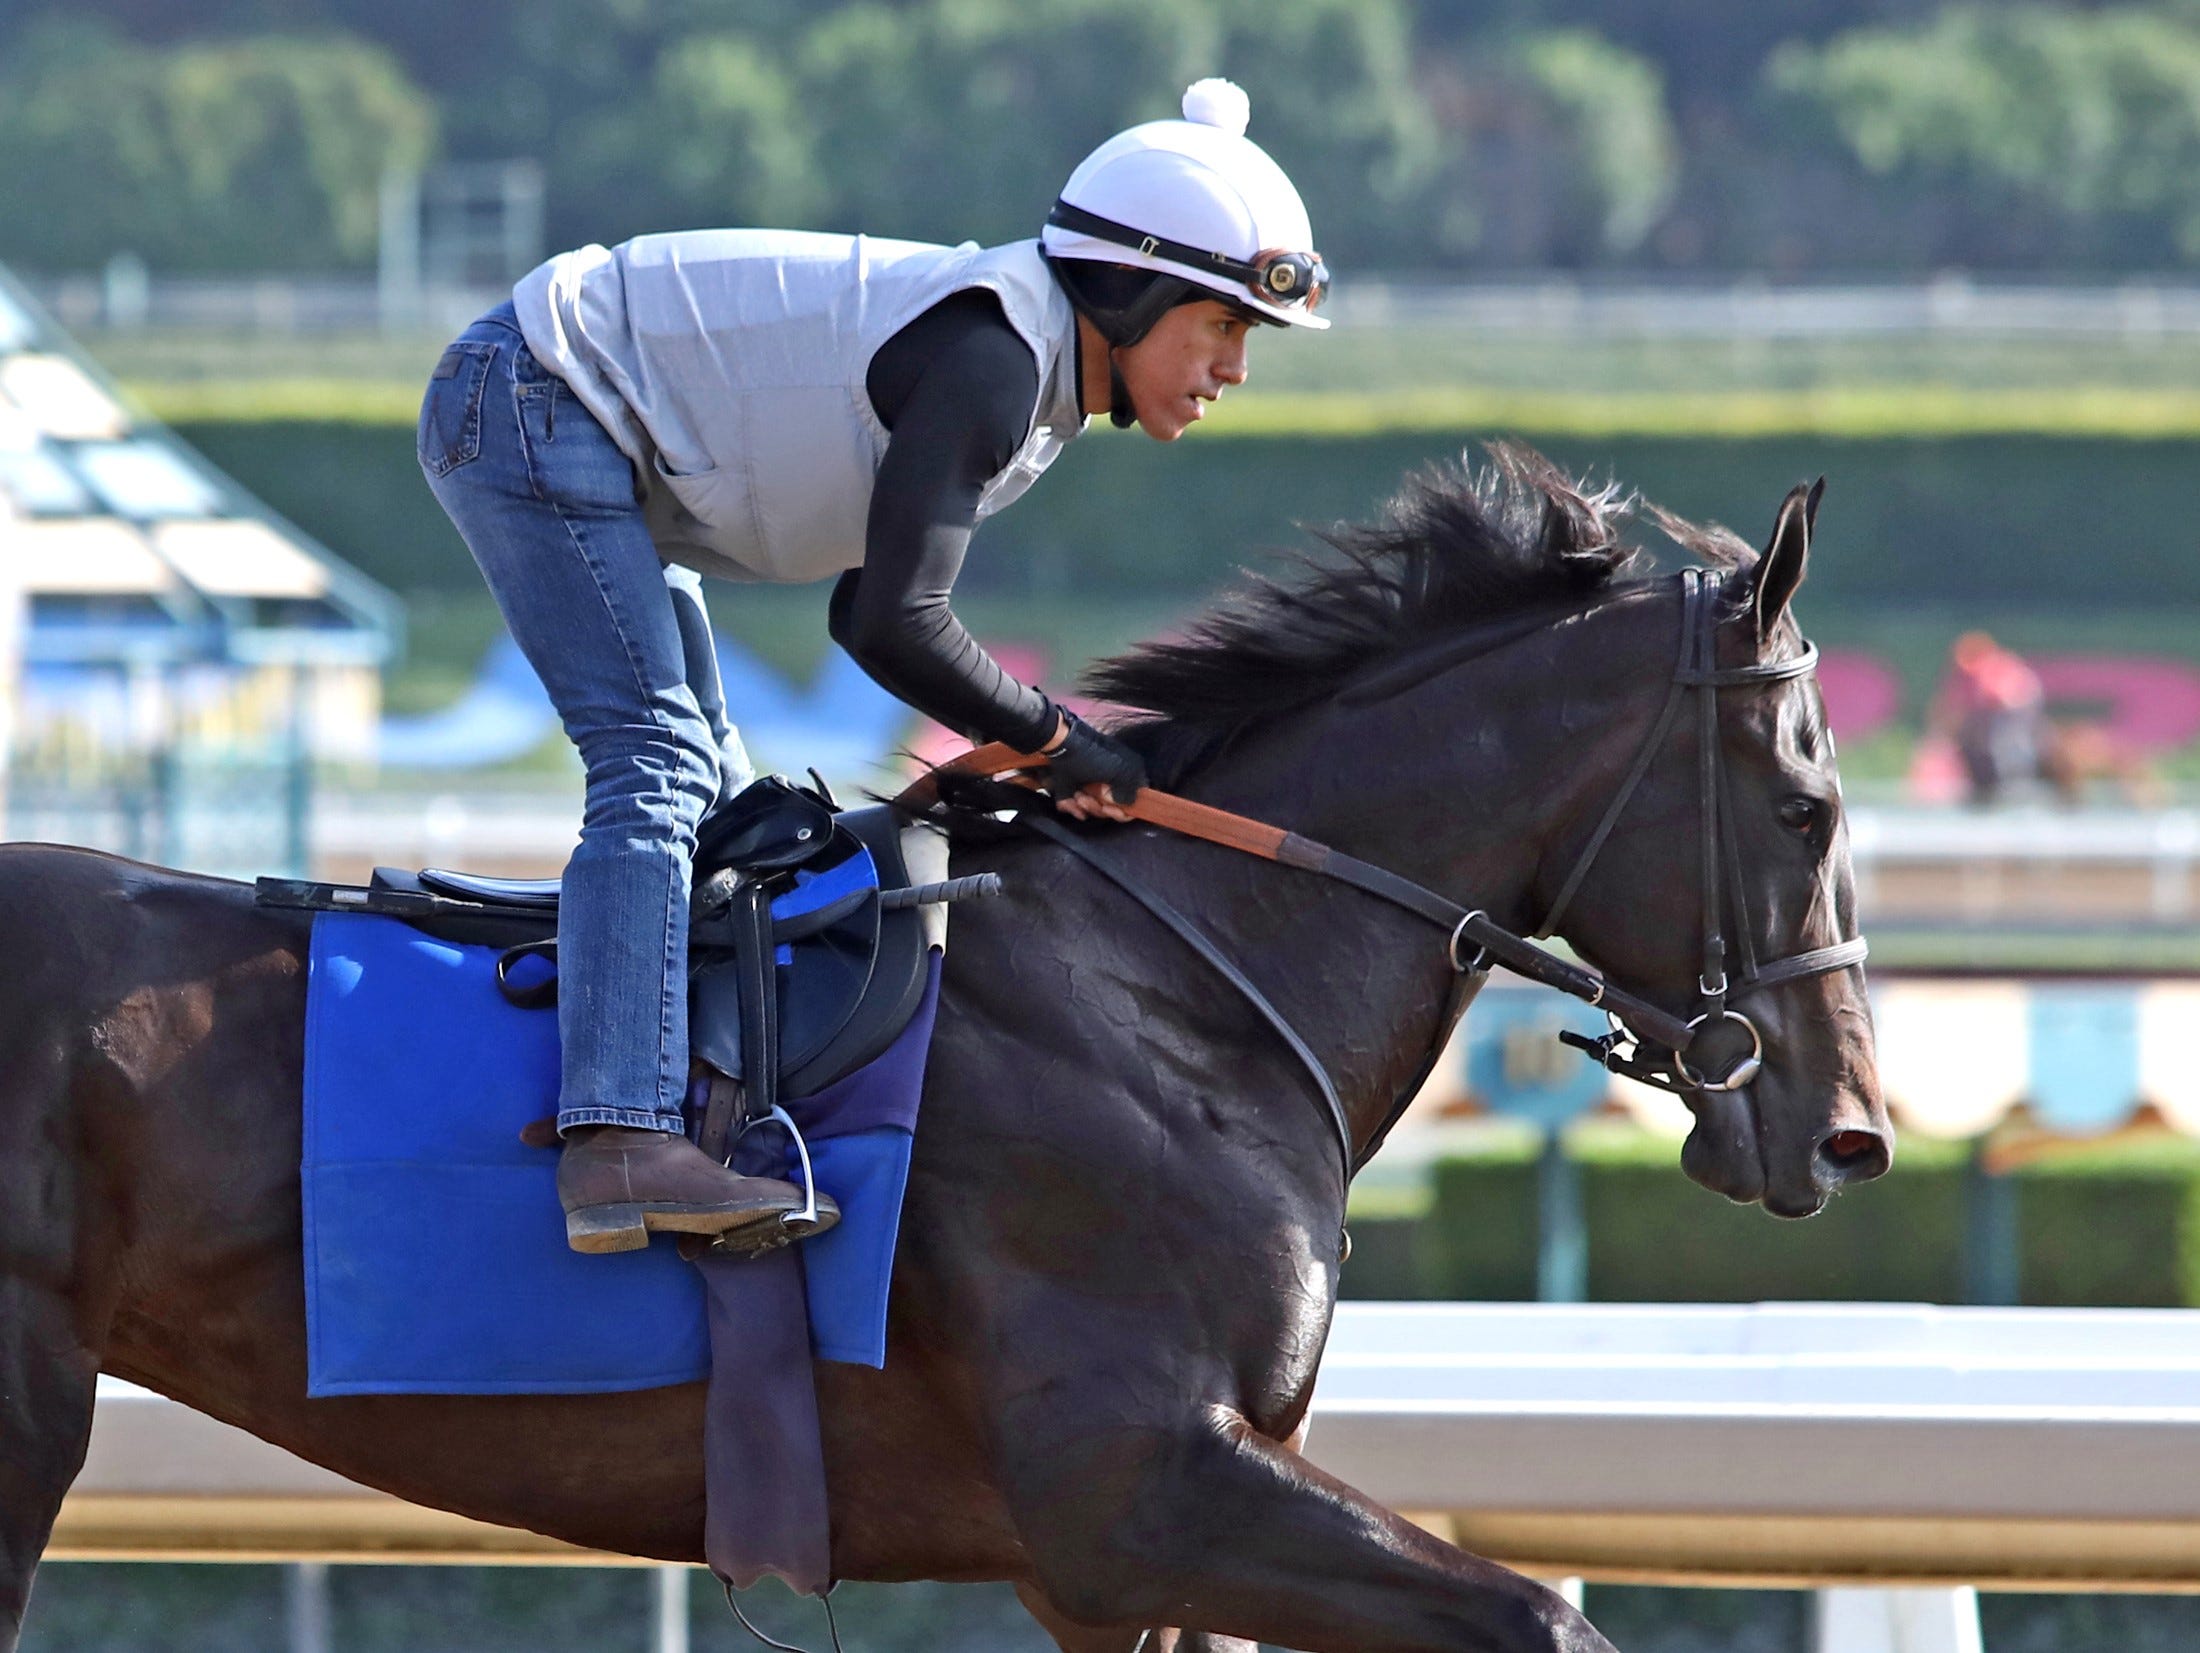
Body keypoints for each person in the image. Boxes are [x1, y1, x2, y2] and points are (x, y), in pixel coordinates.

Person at [415, 78, 1330, 1256]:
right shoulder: (996, 364)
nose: (1234, 370)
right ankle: (619, 1138)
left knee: (717, 789)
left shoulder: (1028, 373)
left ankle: (702, 1105)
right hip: (536, 397)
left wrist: (1047, 746)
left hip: (589, 422)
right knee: (651, 756)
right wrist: (1063, 745)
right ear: (1137, 289)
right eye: (1224, 324)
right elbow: (896, 621)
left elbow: (870, 611)